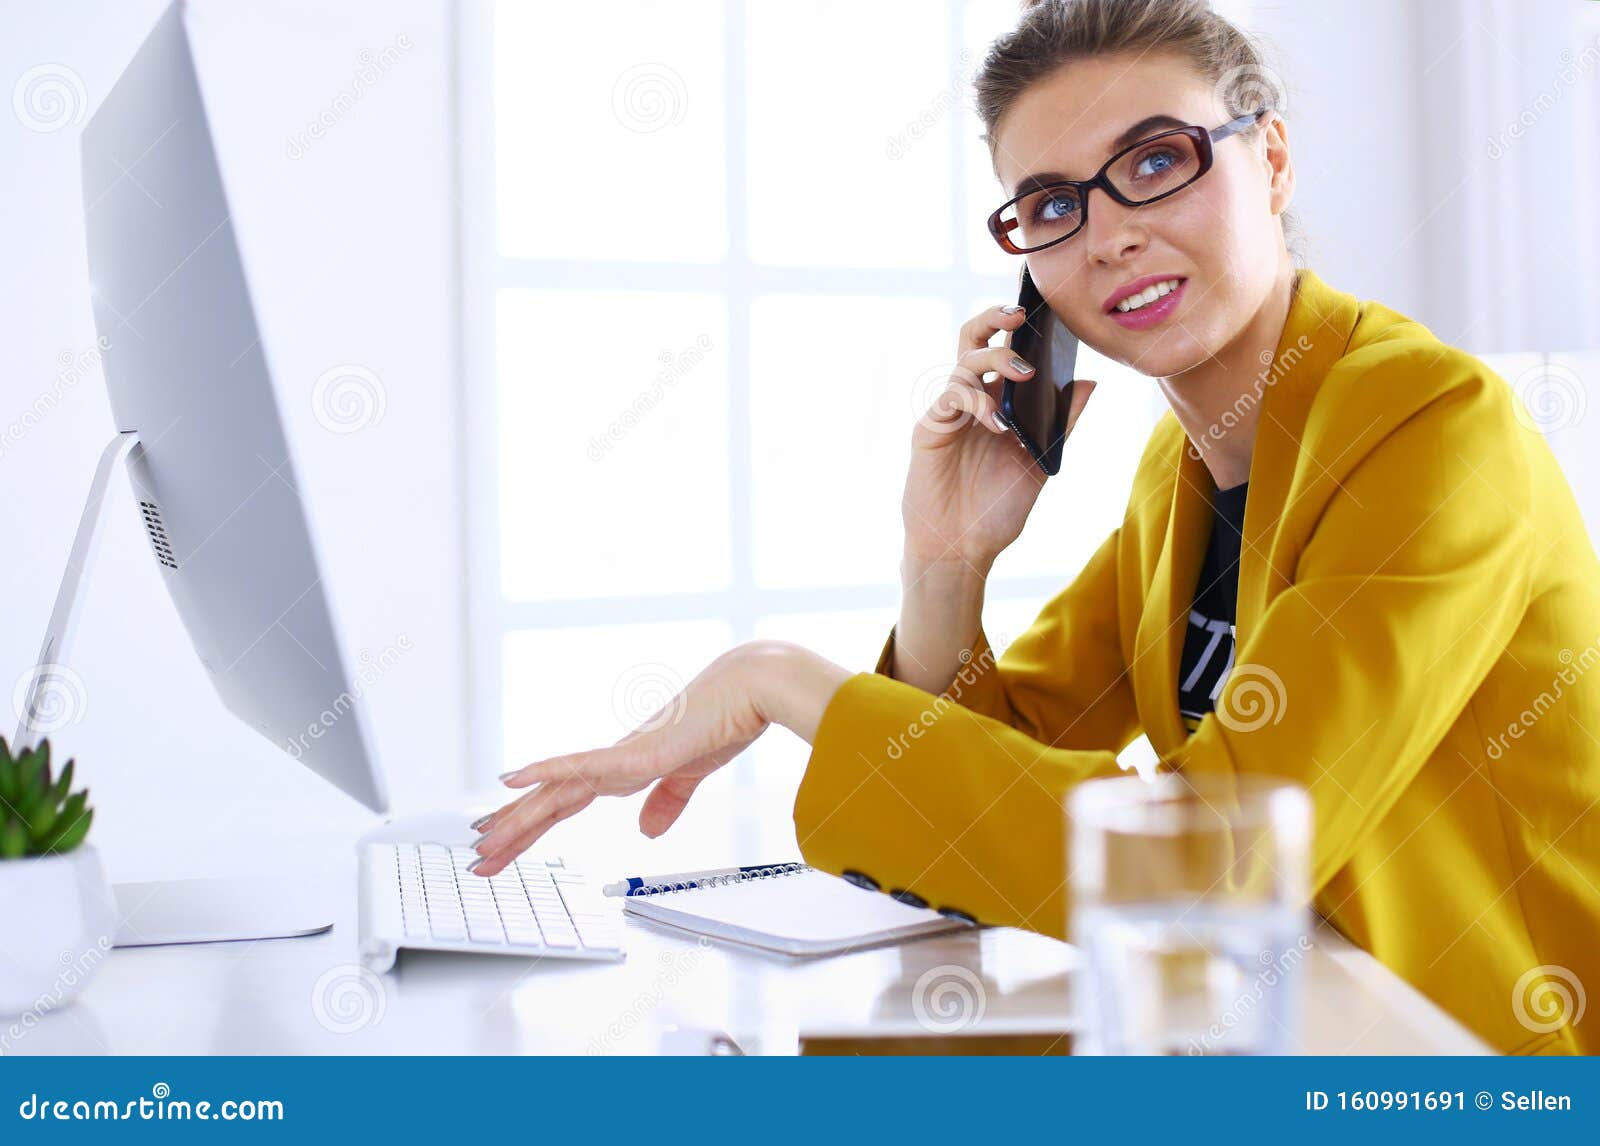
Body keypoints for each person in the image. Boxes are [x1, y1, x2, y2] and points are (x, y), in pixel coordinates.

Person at [470, 0, 1600, 1054]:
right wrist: (944, 561)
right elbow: (1008, 785)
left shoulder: (1434, 429)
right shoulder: (1183, 470)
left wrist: (782, 680)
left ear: (1273, 159)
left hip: (1479, 1053)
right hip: (1281, 1028)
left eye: (1156, 162)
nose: (1107, 237)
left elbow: (1220, 862)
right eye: (1056, 205)